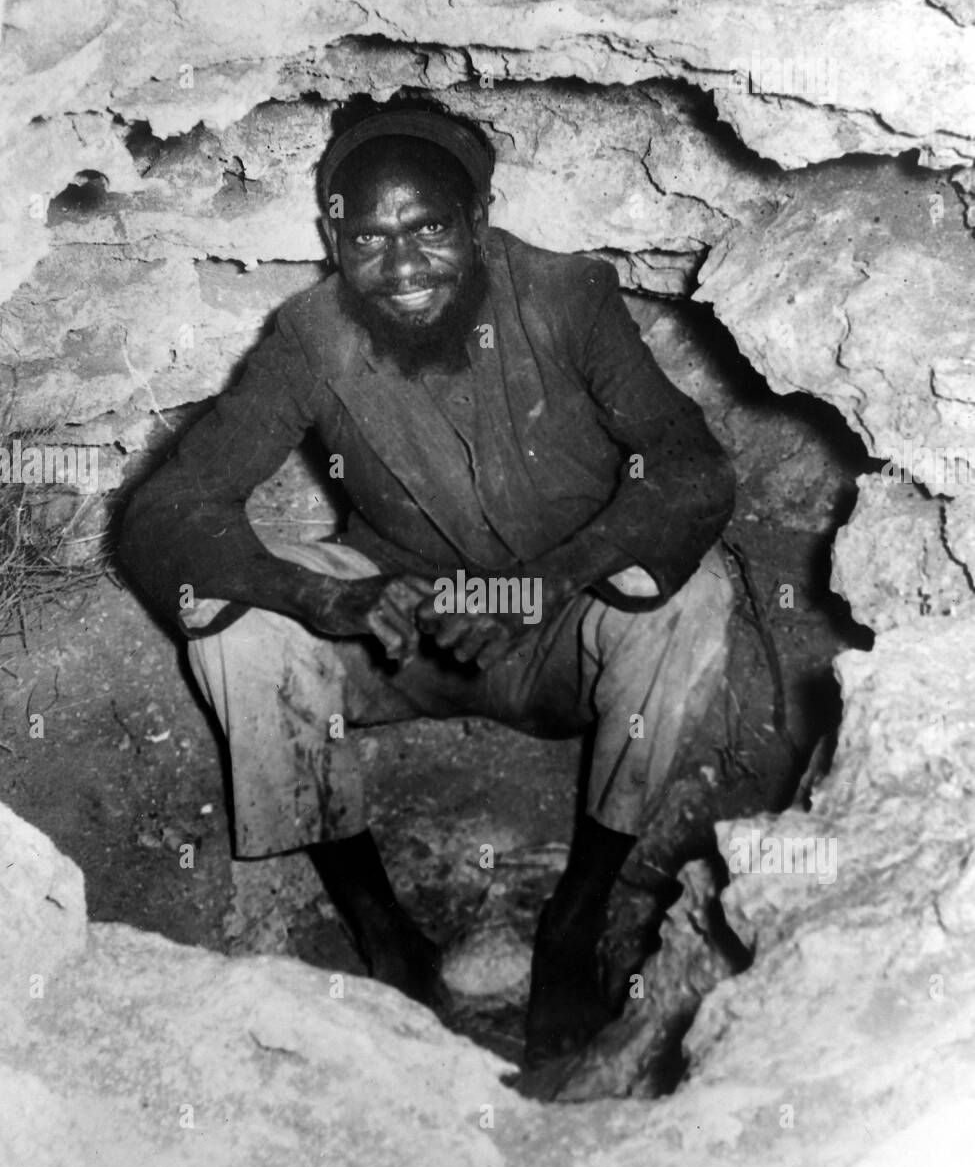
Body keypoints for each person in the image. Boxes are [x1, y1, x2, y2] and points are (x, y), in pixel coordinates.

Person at [119, 95, 736, 1069]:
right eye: (367, 237)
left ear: (480, 220)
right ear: (332, 233)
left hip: (556, 625)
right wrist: (322, 596)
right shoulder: (309, 336)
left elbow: (691, 464)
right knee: (234, 623)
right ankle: (382, 929)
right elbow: (164, 516)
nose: (400, 267)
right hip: (396, 626)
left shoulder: (565, 297)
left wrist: (555, 576)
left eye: (430, 230)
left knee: (693, 599)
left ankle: (574, 921)